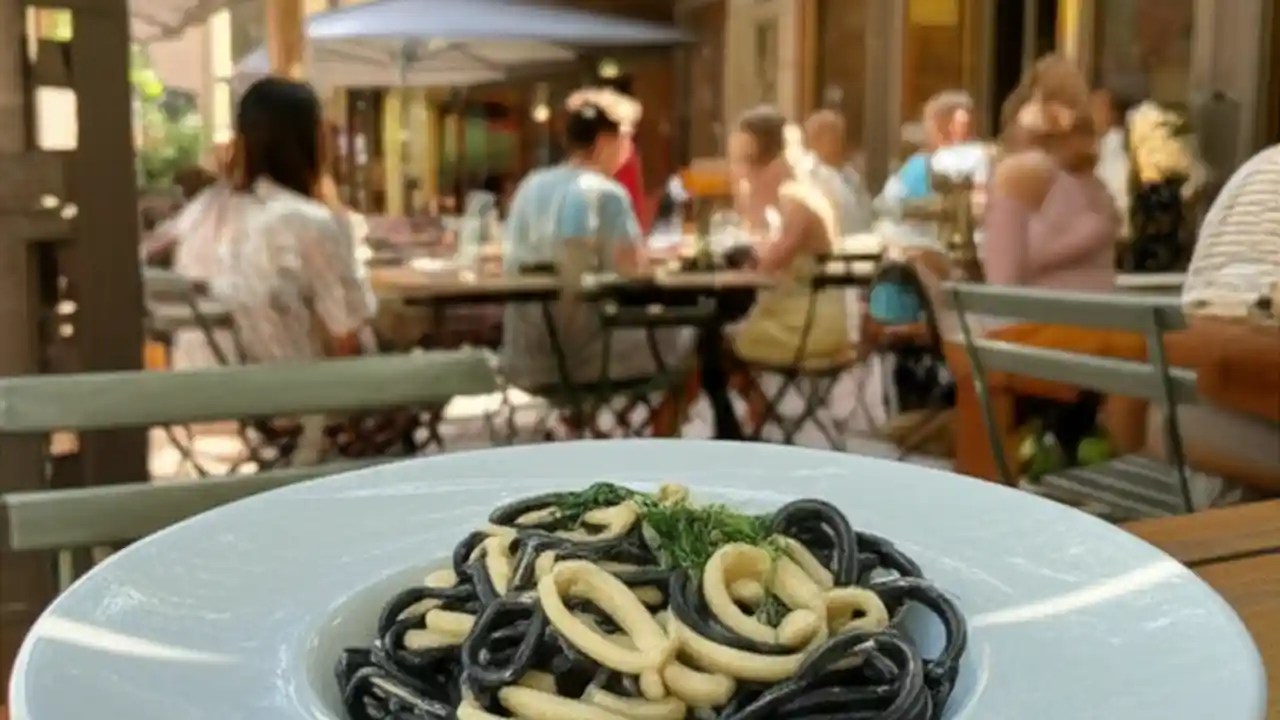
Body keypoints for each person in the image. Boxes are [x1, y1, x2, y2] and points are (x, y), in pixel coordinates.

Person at [169, 77, 375, 367]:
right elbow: (348, 338)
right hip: (282, 389)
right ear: (313, 141)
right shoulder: (306, 221)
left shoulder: (200, 214)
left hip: (196, 388)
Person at [500, 87, 687, 391]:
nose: (631, 147)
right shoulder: (606, 194)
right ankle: (669, 423)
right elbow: (634, 276)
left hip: (526, 357)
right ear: (603, 142)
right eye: (627, 137)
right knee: (696, 335)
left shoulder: (530, 186)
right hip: (586, 356)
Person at [982, 56, 1118, 290]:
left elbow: (1002, 278)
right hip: (1092, 310)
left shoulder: (1020, 174)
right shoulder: (1096, 187)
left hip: (1040, 310)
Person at [729, 106, 849, 369]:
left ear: (776, 161)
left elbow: (769, 265)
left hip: (806, 325)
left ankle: (744, 398)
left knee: (716, 340)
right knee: (717, 340)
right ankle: (751, 399)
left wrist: (752, 201)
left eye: (751, 161)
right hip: (799, 317)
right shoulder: (796, 197)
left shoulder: (798, 201)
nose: (747, 172)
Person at [803, 109, 874, 235]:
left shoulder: (851, 175)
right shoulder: (806, 172)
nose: (837, 139)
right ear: (813, 139)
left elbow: (867, 211)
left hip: (861, 241)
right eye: (830, 133)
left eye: (839, 133)